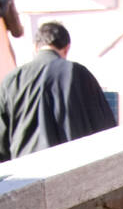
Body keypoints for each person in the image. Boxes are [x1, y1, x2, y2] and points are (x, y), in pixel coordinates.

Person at [0, 20, 116, 163]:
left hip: (26, 173)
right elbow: (106, 129)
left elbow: (1, 141)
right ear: (67, 48)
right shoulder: (77, 73)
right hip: (70, 169)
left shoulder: (11, 80)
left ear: (36, 47)